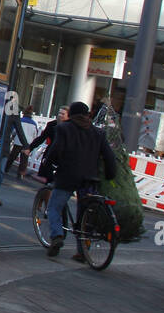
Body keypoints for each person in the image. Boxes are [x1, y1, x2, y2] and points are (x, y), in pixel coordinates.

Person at [45, 101, 117, 260]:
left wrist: (49, 166)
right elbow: (109, 157)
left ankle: (57, 236)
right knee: (85, 214)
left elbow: (55, 150)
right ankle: (82, 251)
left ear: (71, 115)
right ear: (88, 115)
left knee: (54, 207)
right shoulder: (98, 133)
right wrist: (111, 175)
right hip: (89, 179)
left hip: (67, 176)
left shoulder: (63, 128)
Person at [26, 106, 69, 183]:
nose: (60, 115)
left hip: (64, 155)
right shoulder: (52, 124)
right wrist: (30, 148)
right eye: (59, 113)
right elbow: (41, 138)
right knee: (46, 177)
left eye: (63, 114)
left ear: (68, 115)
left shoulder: (71, 127)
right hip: (51, 152)